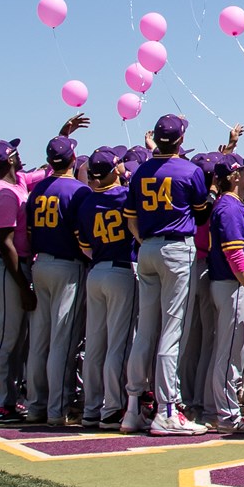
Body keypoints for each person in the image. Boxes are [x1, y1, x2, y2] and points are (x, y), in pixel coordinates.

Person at [122, 115, 212, 435]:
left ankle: (132, 409)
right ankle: (167, 410)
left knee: (144, 330)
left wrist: (145, 241)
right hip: (176, 247)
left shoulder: (142, 170)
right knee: (171, 331)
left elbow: (130, 218)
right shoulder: (190, 171)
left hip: (146, 247)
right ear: (179, 139)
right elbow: (202, 214)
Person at [24, 136, 87, 426]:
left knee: (39, 341)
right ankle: (56, 408)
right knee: (62, 341)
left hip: (41, 264)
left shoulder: (37, 191)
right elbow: (82, 237)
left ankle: (36, 405)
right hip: (67, 266)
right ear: (73, 159)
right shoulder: (78, 190)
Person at [203, 155, 244, 434]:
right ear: (236, 176)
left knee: (229, 352)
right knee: (229, 354)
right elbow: (234, 252)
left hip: (230, 284)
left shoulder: (232, 205)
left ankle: (221, 411)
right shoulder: (229, 207)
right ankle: (228, 416)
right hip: (232, 285)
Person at [0, 140, 36, 423]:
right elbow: (6, 243)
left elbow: (47, 169)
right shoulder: (2, 193)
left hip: (12, 267)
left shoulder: (15, 183)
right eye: (15, 152)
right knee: (3, 338)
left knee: (11, 338)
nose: (20, 154)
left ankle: (4, 400)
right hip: (4, 267)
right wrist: (24, 287)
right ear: (10, 160)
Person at [75, 148, 135, 428]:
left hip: (95, 269)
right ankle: (111, 407)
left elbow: (85, 247)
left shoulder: (86, 201)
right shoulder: (124, 196)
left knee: (95, 344)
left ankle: (91, 406)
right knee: (117, 345)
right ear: (113, 170)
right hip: (120, 269)